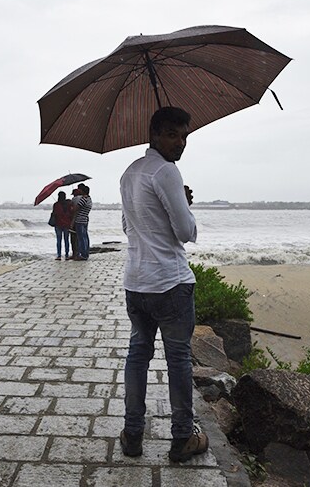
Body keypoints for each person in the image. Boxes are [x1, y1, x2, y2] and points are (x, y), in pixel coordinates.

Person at [118, 106, 208, 463]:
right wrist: (185, 207)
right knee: (179, 360)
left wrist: (172, 208)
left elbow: (129, 227)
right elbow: (185, 233)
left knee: (138, 356)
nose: (180, 142)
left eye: (185, 135)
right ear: (153, 134)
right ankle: (183, 437)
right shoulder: (167, 171)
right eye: (172, 134)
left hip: (136, 284)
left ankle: (133, 433)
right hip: (170, 283)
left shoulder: (129, 174)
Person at [72, 183, 92, 260]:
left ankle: (83, 255)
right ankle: (86, 253)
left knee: (81, 238)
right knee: (85, 237)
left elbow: (75, 209)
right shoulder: (89, 199)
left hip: (79, 220)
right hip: (85, 219)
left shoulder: (83, 199)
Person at [51, 191, 73, 260]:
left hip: (58, 224)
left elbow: (54, 214)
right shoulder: (69, 204)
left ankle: (59, 255)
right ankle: (66, 254)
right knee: (66, 240)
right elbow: (71, 213)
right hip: (67, 224)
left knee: (59, 240)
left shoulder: (56, 205)